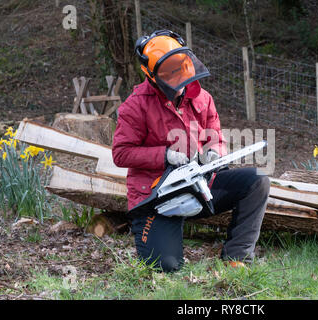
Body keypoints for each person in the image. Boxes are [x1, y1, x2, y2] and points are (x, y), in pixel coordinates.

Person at [112, 29, 270, 272]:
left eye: (181, 75)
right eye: (170, 78)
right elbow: (121, 153)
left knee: (256, 181)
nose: (179, 86)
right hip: (156, 195)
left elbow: (214, 135)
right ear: (152, 76)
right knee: (165, 266)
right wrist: (164, 155)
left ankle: (236, 258)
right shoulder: (136, 105)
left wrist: (214, 152)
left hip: (198, 184)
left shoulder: (202, 98)